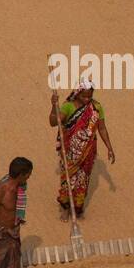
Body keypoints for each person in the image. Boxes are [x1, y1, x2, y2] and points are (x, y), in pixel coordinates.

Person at [49, 79, 115, 219]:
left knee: (82, 180)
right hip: (70, 152)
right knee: (68, 179)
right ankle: (65, 209)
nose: (87, 99)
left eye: (89, 96)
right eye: (84, 96)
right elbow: (53, 122)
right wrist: (53, 106)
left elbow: (101, 128)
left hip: (88, 151)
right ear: (77, 93)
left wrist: (109, 147)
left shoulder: (96, 108)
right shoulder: (68, 107)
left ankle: (77, 208)